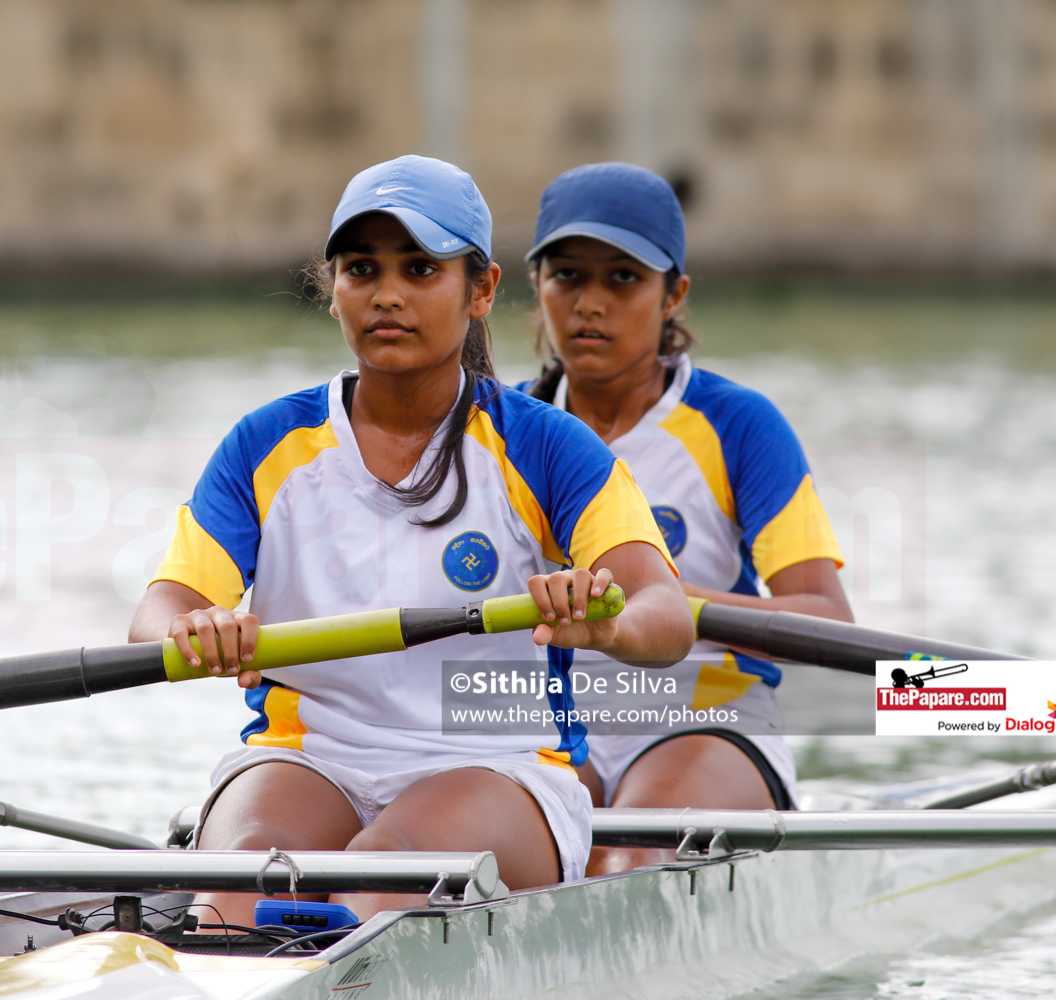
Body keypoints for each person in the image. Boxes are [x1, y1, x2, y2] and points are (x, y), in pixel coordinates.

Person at [129, 155, 694, 921]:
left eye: (421, 268)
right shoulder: (265, 444)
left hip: (498, 764)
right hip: (306, 755)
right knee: (238, 889)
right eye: (362, 269)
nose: (387, 294)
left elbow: (666, 612)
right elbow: (158, 611)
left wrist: (609, 624)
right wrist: (193, 629)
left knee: (381, 874)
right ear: (333, 291)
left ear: (481, 291)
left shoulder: (547, 447)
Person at [520, 163, 852, 875]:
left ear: (674, 295)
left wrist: (668, 603)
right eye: (567, 275)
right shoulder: (502, 431)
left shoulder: (738, 425)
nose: (589, 304)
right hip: (538, 717)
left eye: (623, 278)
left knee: (624, 857)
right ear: (535, 284)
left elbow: (828, 619)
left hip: (706, 715)